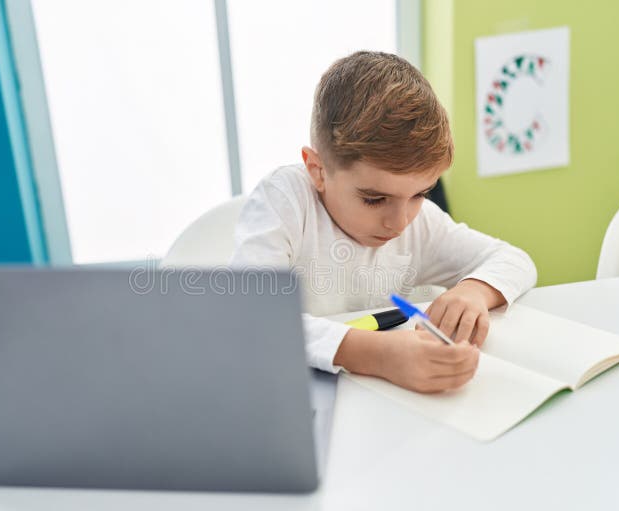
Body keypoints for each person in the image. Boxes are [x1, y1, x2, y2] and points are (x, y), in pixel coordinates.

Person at [230, 51, 536, 393]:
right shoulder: (284, 201)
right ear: (317, 170)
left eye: (421, 194)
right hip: (293, 397)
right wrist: (378, 356)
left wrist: (474, 292)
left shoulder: (419, 224)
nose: (400, 222)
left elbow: (514, 260)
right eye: (374, 199)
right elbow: (251, 319)